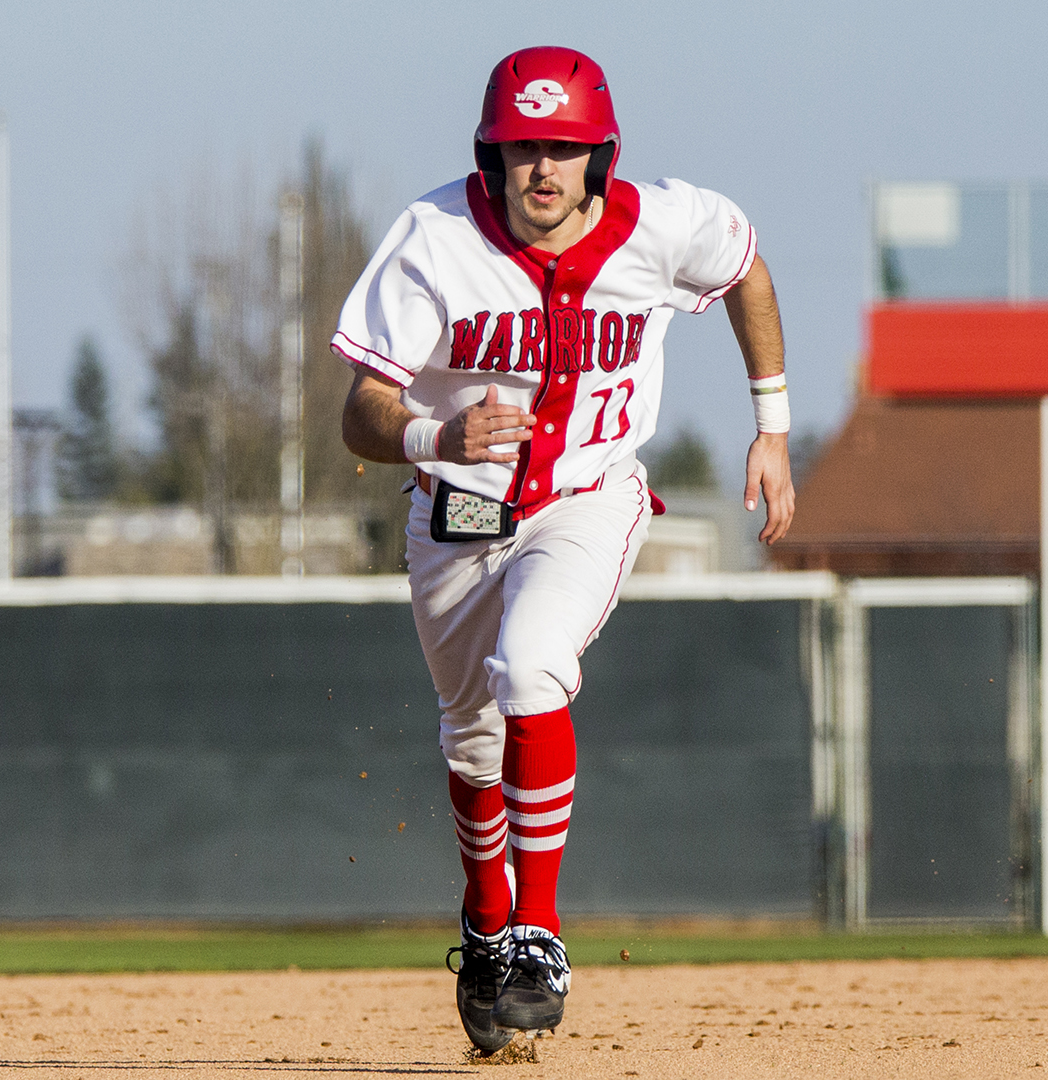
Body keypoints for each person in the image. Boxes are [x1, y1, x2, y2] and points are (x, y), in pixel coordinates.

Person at [332, 45, 794, 1054]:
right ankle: (486, 920)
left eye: (564, 148)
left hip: (590, 494)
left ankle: (536, 934)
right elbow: (360, 409)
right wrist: (430, 435)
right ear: (489, 156)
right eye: (521, 148)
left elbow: (747, 266)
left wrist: (773, 424)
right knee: (470, 739)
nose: (542, 169)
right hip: (457, 506)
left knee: (533, 664)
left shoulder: (665, 223)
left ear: (602, 156)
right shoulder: (434, 236)